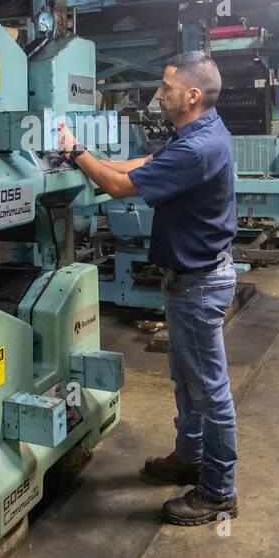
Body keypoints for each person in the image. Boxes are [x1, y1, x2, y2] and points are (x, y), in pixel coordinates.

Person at [57, 51, 239, 525]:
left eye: (168, 88)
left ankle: (219, 491)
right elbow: (149, 162)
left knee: (210, 393)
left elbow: (120, 189)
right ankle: (190, 458)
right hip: (192, 282)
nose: (160, 95)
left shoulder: (198, 148)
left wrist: (76, 153)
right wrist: (104, 161)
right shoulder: (202, 131)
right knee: (188, 382)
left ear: (192, 96)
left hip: (198, 286)